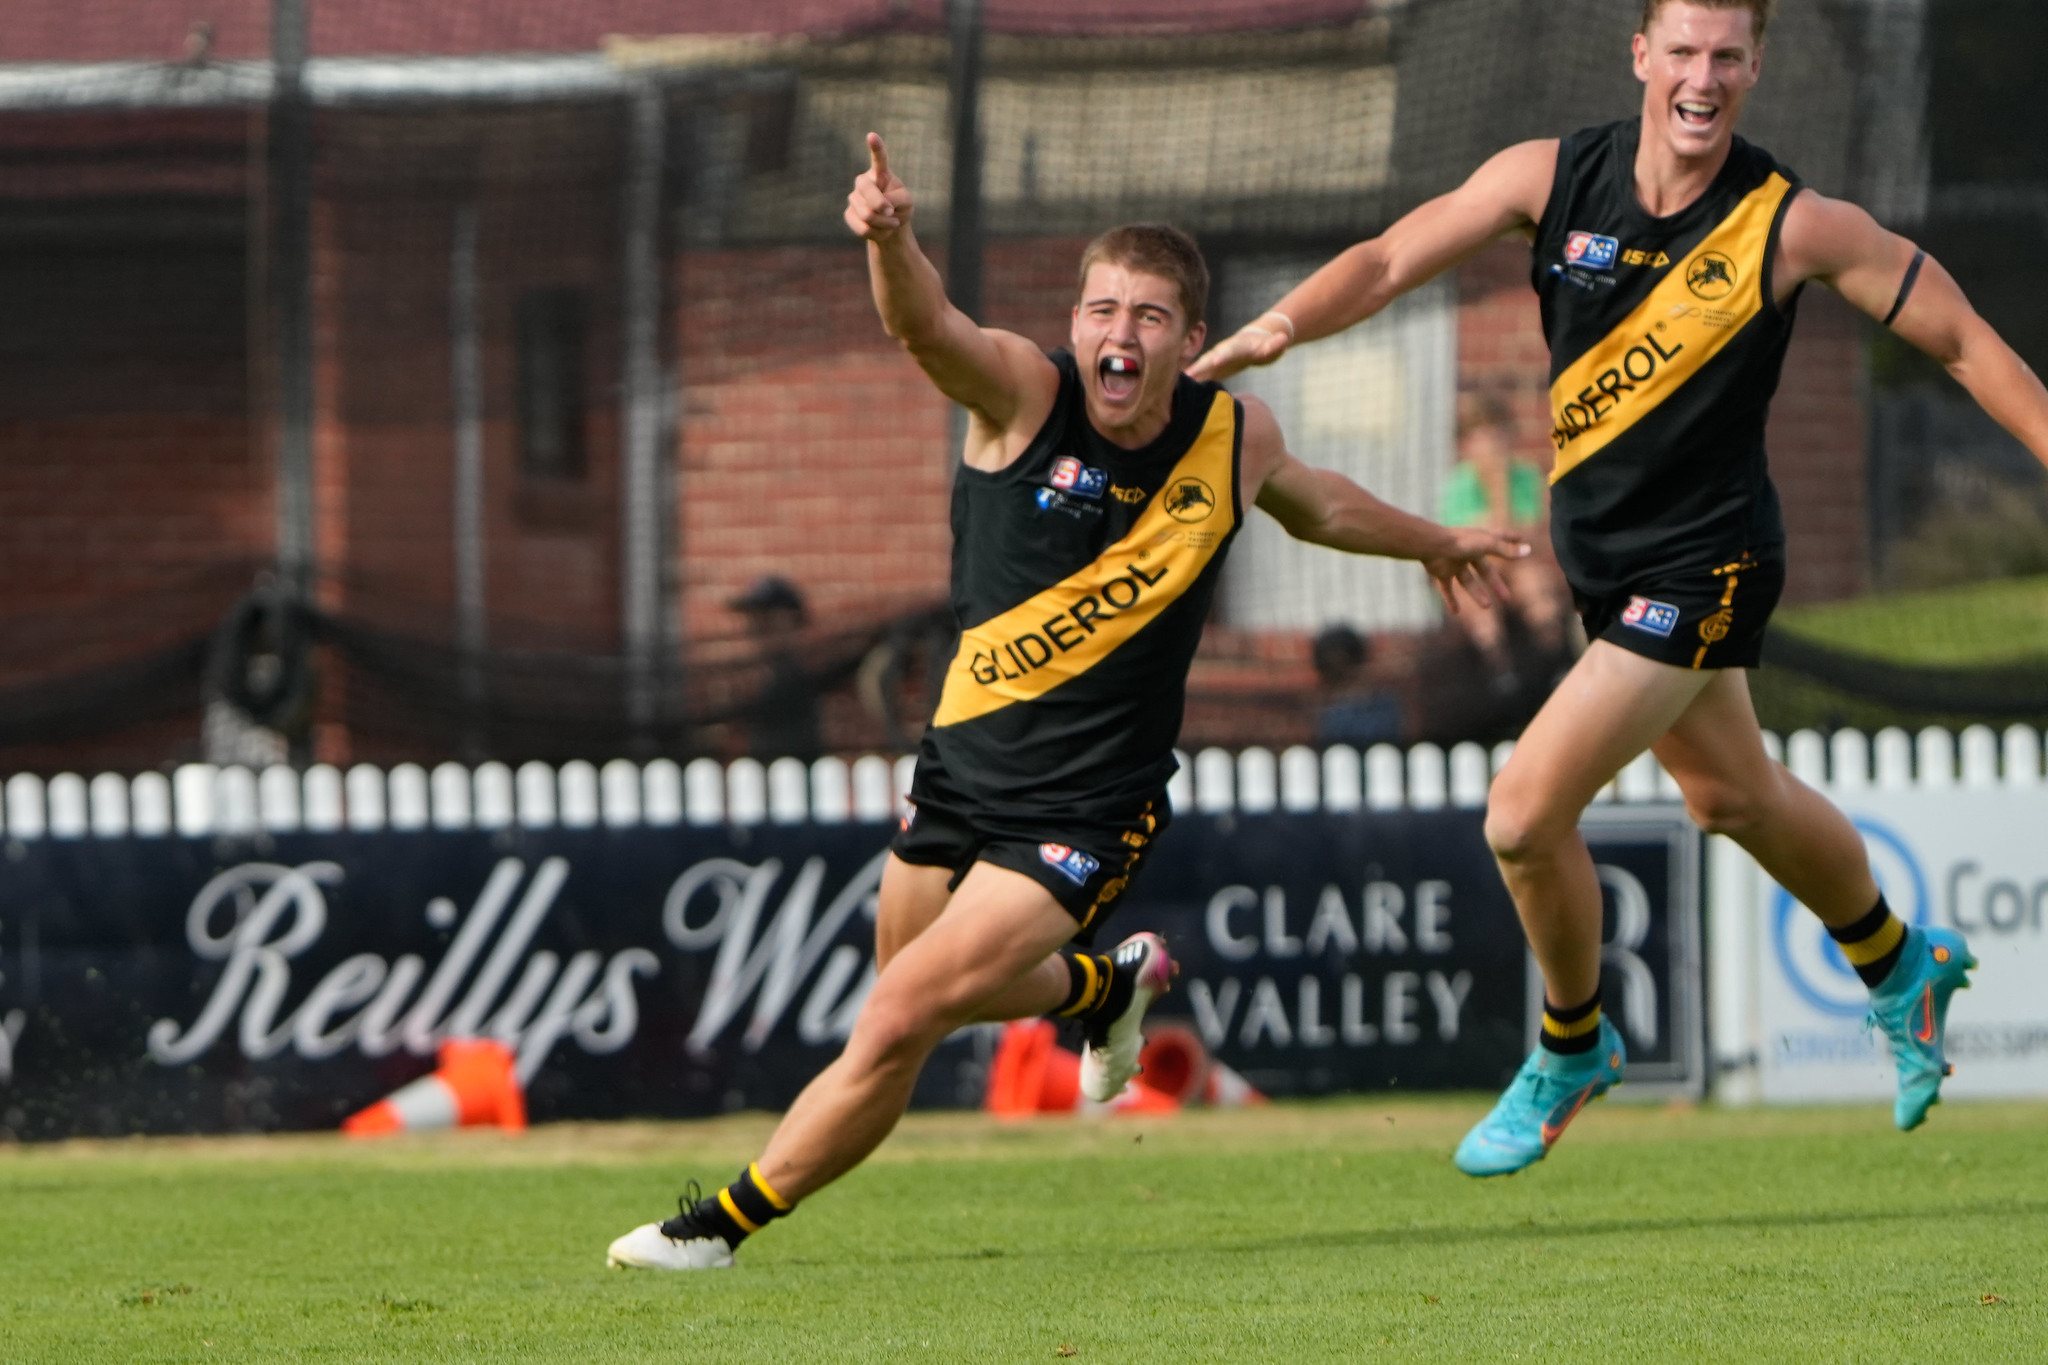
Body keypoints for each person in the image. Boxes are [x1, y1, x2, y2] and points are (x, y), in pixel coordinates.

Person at [605, 133, 1526, 1269]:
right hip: (957, 772)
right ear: (1075, 321)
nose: (1117, 335)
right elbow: (923, 328)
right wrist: (891, 243)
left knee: (897, 1018)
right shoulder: (1022, 396)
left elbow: (1317, 506)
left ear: (1190, 342)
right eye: (1101, 310)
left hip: (1086, 809)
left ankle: (717, 1228)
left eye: (1146, 317)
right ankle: (1103, 983)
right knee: (909, 996)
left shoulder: (1229, 434)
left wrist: (1433, 541)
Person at [1194, 0, 2048, 1174]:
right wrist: (1279, 325)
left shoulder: (1793, 226)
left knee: (1520, 813)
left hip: (1710, 563)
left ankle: (1570, 1042)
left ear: (1755, 67)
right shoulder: (1549, 178)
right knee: (1731, 799)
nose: (1701, 79)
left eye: (1726, 57)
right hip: (1602, 563)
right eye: (1681, 52)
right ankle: (1900, 963)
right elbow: (1391, 259)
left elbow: (1958, 342)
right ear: (1640, 55)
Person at [1439, 391, 1577, 690]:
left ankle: (1557, 665)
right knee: (1476, 599)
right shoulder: (1458, 484)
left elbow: (1527, 534)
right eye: (1481, 437)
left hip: (1519, 565)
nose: (1492, 446)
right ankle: (1498, 673)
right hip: (1480, 570)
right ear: (1466, 445)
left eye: (1497, 435)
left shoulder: (1525, 476)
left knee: (1536, 585)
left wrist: (1500, 487)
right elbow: (1470, 540)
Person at [730, 575, 823, 761]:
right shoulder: (765, 678)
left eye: (767, 619)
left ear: (791, 622)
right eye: (754, 619)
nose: (755, 628)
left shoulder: (794, 678)